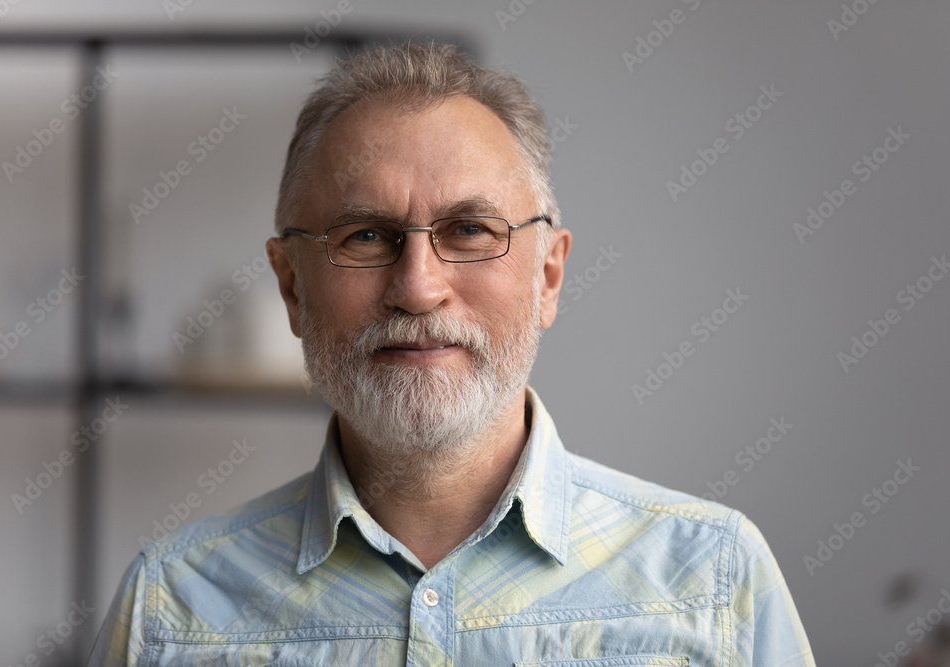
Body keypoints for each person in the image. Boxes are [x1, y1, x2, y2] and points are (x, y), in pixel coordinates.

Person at [88, 42, 815, 666]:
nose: (417, 287)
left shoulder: (712, 578)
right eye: (365, 235)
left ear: (547, 277)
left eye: (469, 229)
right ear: (291, 288)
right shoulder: (172, 609)